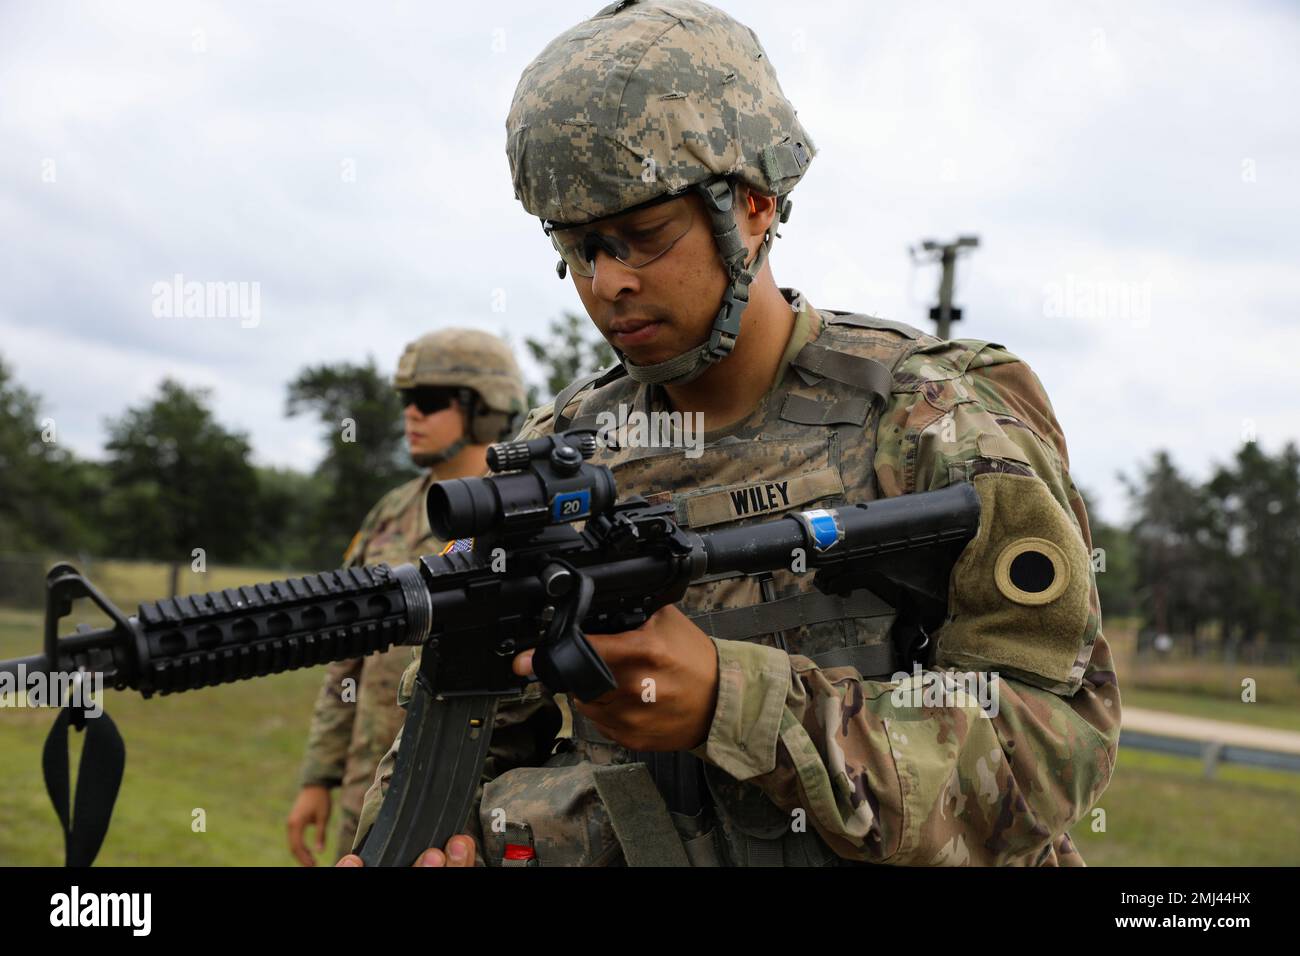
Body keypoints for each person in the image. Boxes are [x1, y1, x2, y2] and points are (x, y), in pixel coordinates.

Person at [343, 0, 1120, 868]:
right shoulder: (562, 453)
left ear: (752, 205)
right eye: (576, 247)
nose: (607, 285)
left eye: (641, 236)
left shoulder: (937, 418)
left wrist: (736, 703)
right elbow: (470, 733)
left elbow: (1054, 749)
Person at [288, 328, 526, 865]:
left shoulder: (524, 517)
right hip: (367, 802)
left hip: (472, 818)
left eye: (429, 401)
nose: (410, 416)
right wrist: (318, 778)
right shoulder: (392, 511)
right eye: (406, 402)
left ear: (485, 409)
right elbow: (343, 654)